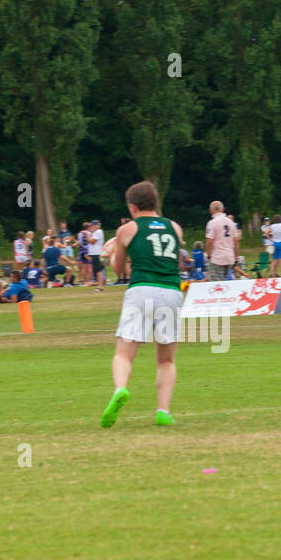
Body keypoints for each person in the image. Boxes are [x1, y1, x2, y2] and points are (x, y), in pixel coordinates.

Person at [100, 180, 183, 427]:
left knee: (124, 354)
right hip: (171, 290)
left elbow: (119, 270)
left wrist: (110, 254)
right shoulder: (175, 228)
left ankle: (120, 389)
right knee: (166, 360)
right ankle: (163, 411)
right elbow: (174, 262)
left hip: (141, 289)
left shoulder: (128, 230)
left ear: (133, 207)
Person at [205, 201, 238, 281]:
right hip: (229, 257)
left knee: (215, 285)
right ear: (223, 209)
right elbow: (236, 241)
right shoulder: (231, 223)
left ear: (210, 210)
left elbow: (209, 242)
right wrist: (236, 257)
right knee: (223, 283)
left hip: (217, 258)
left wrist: (209, 256)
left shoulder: (212, 223)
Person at [87, 220, 106, 291]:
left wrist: (87, 237)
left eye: (92, 225)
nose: (91, 227)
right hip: (95, 253)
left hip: (96, 253)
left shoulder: (98, 232)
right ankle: (99, 285)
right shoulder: (96, 232)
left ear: (95, 225)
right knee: (97, 270)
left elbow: (92, 242)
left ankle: (100, 286)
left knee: (98, 270)